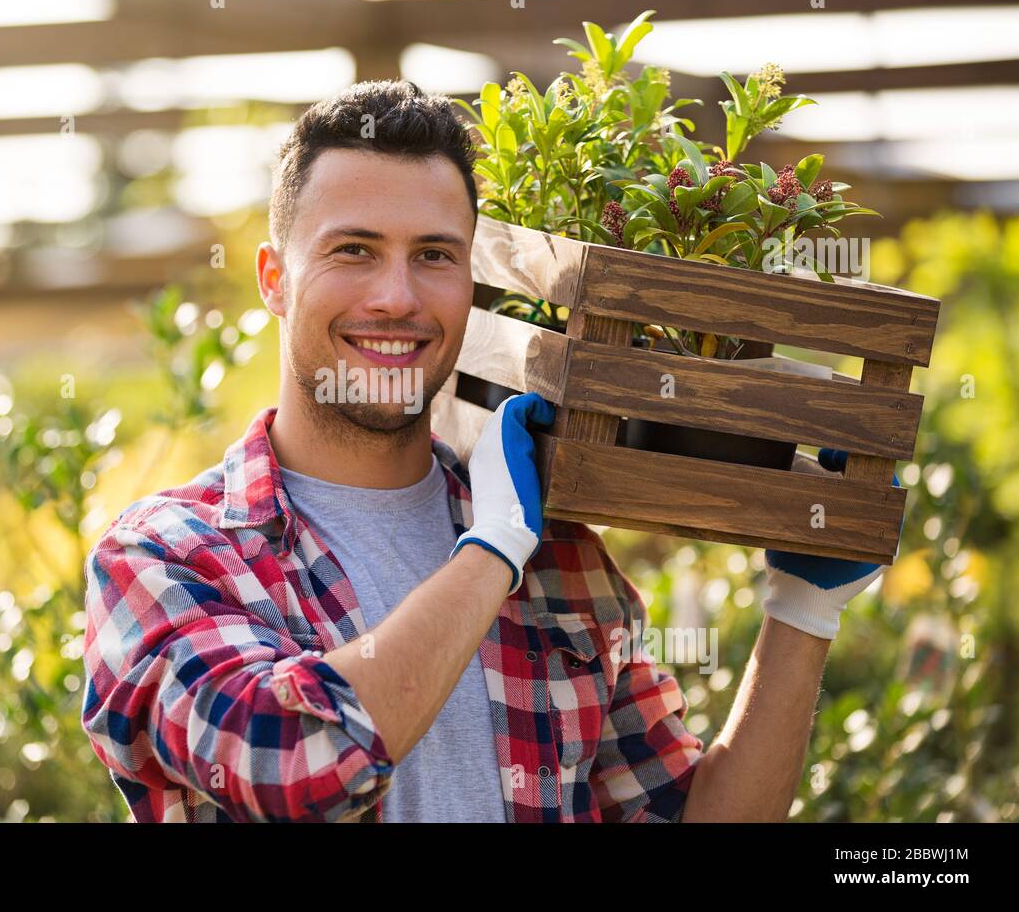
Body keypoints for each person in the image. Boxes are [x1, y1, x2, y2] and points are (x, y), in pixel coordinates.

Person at [80, 80, 892, 822]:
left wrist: (801, 612)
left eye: (434, 255)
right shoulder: (167, 558)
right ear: (274, 279)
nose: (396, 297)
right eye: (353, 250)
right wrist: (493, 548)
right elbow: (298, 763)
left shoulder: (565, 565)